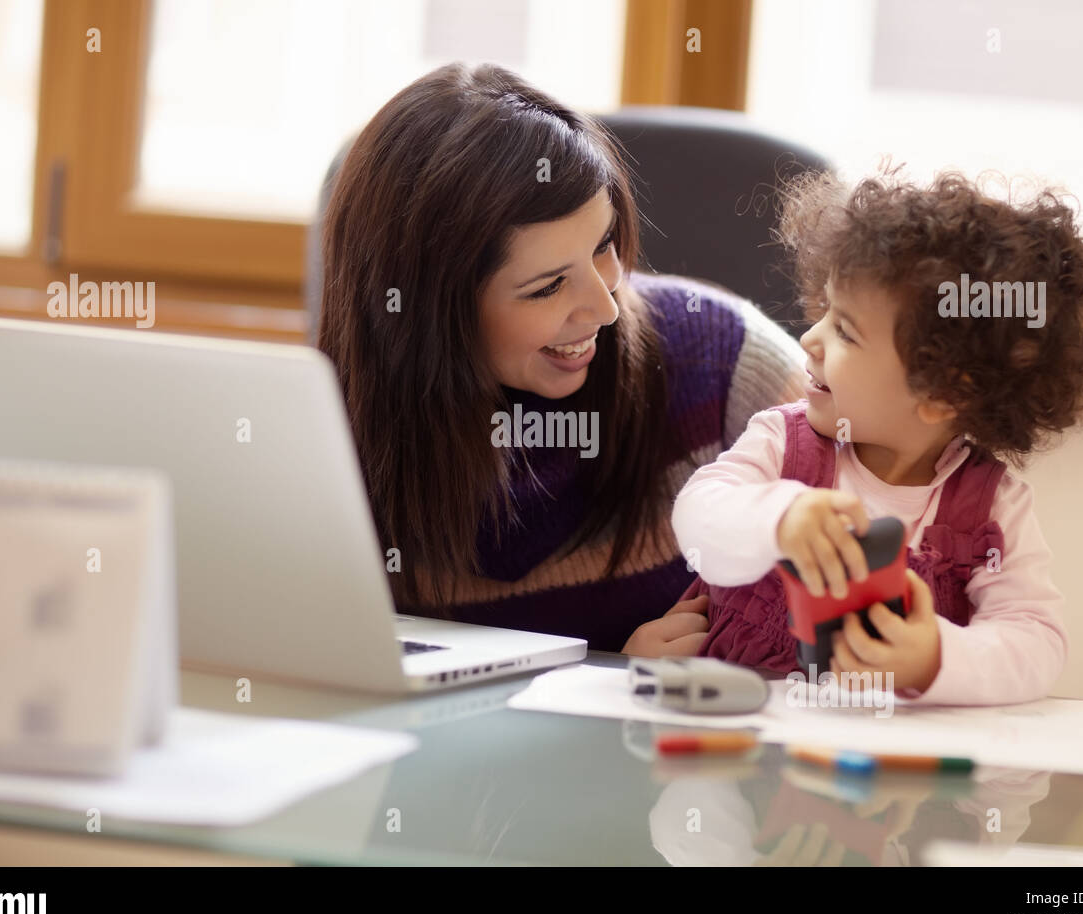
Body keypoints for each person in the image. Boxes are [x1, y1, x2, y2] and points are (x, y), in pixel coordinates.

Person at [317, 62, 806, 652]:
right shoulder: (324, 433)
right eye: (548, 286)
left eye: (604, 245)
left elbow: (902, 560)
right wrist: (607, 679)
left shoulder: (725, 361)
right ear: (428, 311)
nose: (606, 308)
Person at [670, 168, 1083, 703]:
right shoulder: (782, 442)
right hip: (741, 751)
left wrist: (934, 657)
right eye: (824, 313)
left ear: (941, 395)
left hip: (889, 771)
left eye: (845, 330)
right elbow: (697, 517)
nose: (810, 339)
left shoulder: (991, 511)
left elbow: (1036, 641)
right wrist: (778, 518)